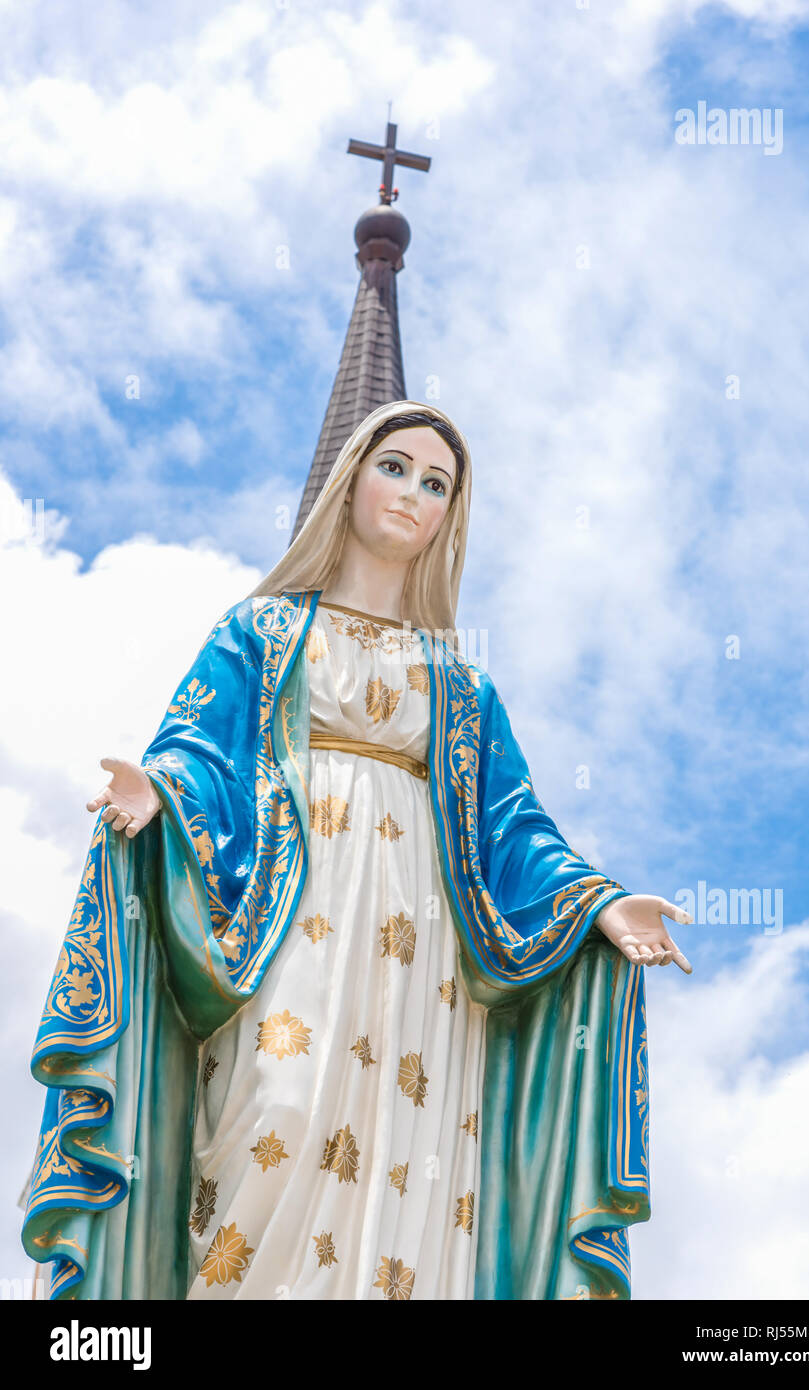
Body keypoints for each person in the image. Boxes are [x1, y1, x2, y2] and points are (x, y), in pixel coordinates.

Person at [22, 399, 691, 1301]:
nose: (413, 493)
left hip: (425, 953)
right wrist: (160, 792)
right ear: (349, 482)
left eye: (436, 483)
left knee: (405, 1164)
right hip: (295, 911)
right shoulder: (261, 631)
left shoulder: (459, 681)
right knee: (281, 1108)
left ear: (451, 518)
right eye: (395, 467)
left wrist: (598, 902)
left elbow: (513, 827)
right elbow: (203, 752)